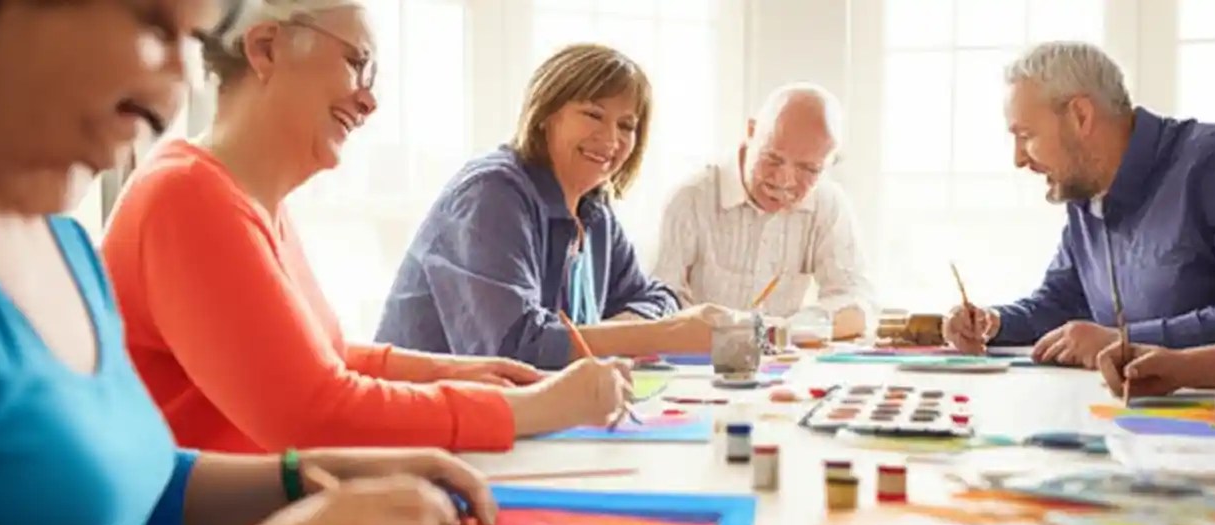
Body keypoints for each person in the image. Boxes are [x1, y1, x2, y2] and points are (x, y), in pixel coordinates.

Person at [0, 2, 498, 525]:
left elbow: (130, 476)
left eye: (192, 39)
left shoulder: (65, 247)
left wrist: (310, 478)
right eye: (153, 26)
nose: (183, 77)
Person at [101, 4, 632, 455]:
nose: (369, 101)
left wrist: (460, 372)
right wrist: (534, 407)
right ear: (265, 48)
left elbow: (323, 358)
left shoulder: (249, 201)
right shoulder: (189, 198)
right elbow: (315, 414)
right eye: (357, 63)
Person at [375, 43, 732, 369]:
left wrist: (614, 332)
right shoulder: (492, 193)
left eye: (626, 125)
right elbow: (512, 349)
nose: (611, 139)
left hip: (523, 421)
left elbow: (654, 296)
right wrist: (660, 334)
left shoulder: (595, 210)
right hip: (432, 423)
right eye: (593, 115)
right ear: (546, 113)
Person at [943, 41, 1215, 368]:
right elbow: (1060, 304)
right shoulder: (1085, 190)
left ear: (1081, 116)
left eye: (1026, 135)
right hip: (1123, 408)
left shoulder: (1214, 163)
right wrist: (992, 323)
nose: (1018, 159)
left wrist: (1125, 341)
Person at [651, 83, 873, 339]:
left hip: (782, 361)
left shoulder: (828, 202)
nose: (784, 180)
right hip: (698, 361)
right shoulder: (690, 198)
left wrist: (781, 332)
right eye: (773, 158)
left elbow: (855, 303)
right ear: (751, 131)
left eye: (809, 169)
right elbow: (658, 305)